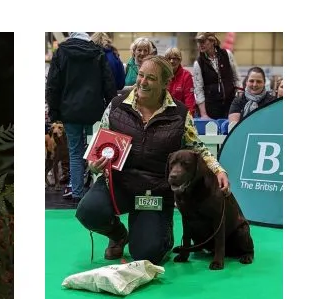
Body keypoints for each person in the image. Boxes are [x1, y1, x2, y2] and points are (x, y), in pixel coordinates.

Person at [75, 56, 229, 264]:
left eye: (151, 78)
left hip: (154, 192)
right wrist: (93, 165)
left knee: (147, 254)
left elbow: (197, 148)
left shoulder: (180, 113)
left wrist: (219, 170)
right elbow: (99, 145)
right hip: (118, 184)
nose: (142, 82)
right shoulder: (117, 105)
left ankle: (162, 235)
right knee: (88, 211)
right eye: (140, 75)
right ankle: (119, 235)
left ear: (166, 83)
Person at [47, 32, 115, 203]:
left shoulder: (61, 52)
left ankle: (77, 194)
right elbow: (108, 81)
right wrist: (111, 106)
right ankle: (98, 194)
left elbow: (53, 83)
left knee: (75, 153)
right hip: (95, 111)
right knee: (97, 152)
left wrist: (54, 112)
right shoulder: (98, 52)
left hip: (70, 112)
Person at [194, 33, 239, 120]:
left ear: (212, 41)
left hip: (230, 105)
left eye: (202, 41)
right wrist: (204, 115)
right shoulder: (198, 63)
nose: (200, 44)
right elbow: (198, 90)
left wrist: (238, 100)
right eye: (198, 42)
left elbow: (237, 78)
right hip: (211, 108)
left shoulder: (227, 54)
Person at [163, 47, 197, 115]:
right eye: (169, 58)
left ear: (180, 60)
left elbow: (189, 100)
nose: (172, 61)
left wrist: (189, 117)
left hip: (181, 115)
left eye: (175, 58)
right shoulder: (161, 75)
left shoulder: (186, 75)